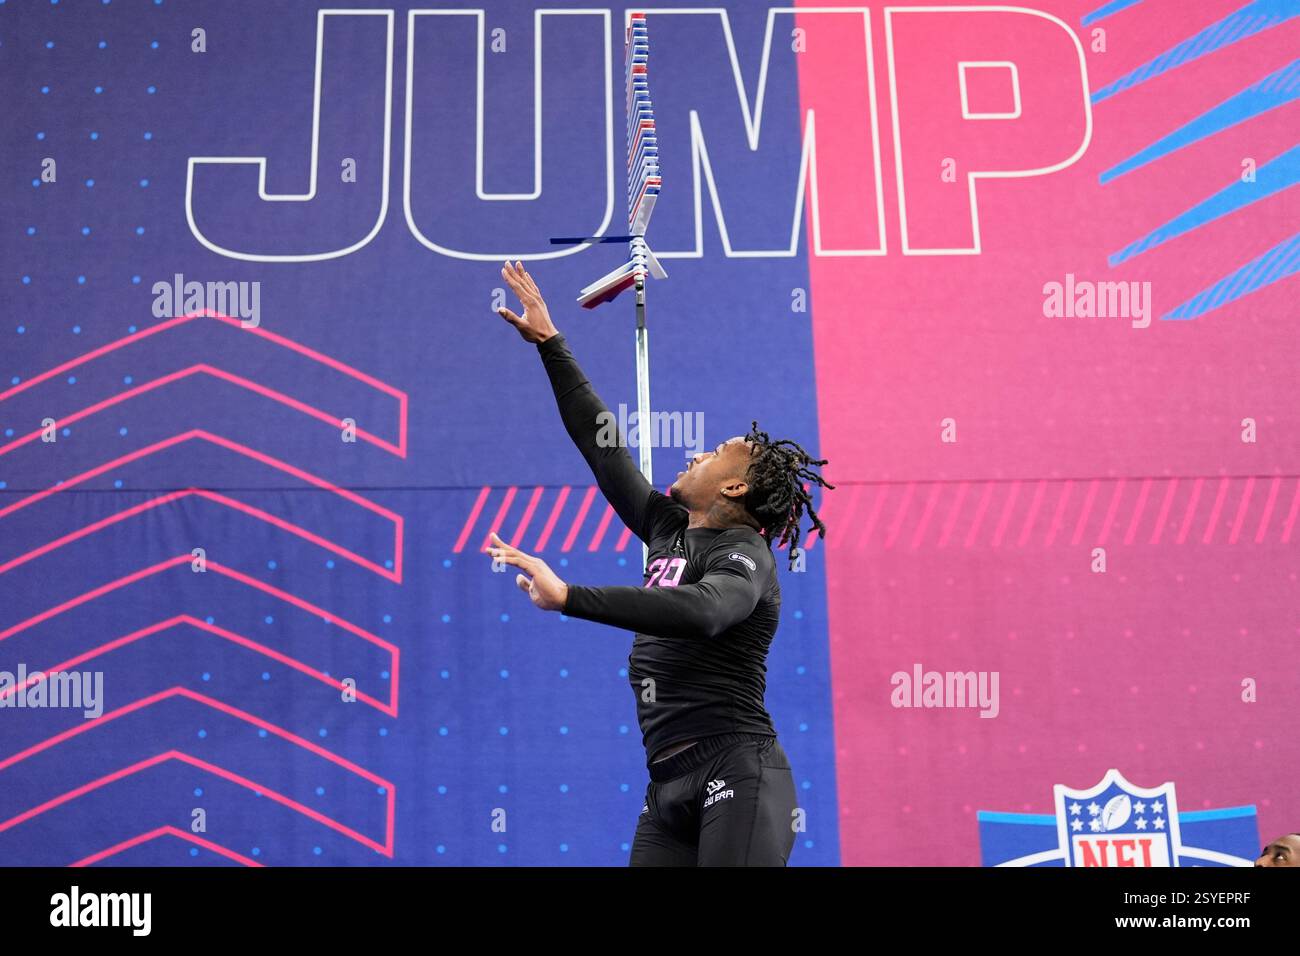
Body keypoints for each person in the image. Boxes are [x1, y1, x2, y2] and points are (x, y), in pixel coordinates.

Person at [486, 260, 833, 866]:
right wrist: (551, 344)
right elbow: (602, 446)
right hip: (666, 787)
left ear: (731, 491)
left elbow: (705, 613)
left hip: (738, 768)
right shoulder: (666, 527)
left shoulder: (743, 555)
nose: (697, 451)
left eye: (716, 453)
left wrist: (571, 597)